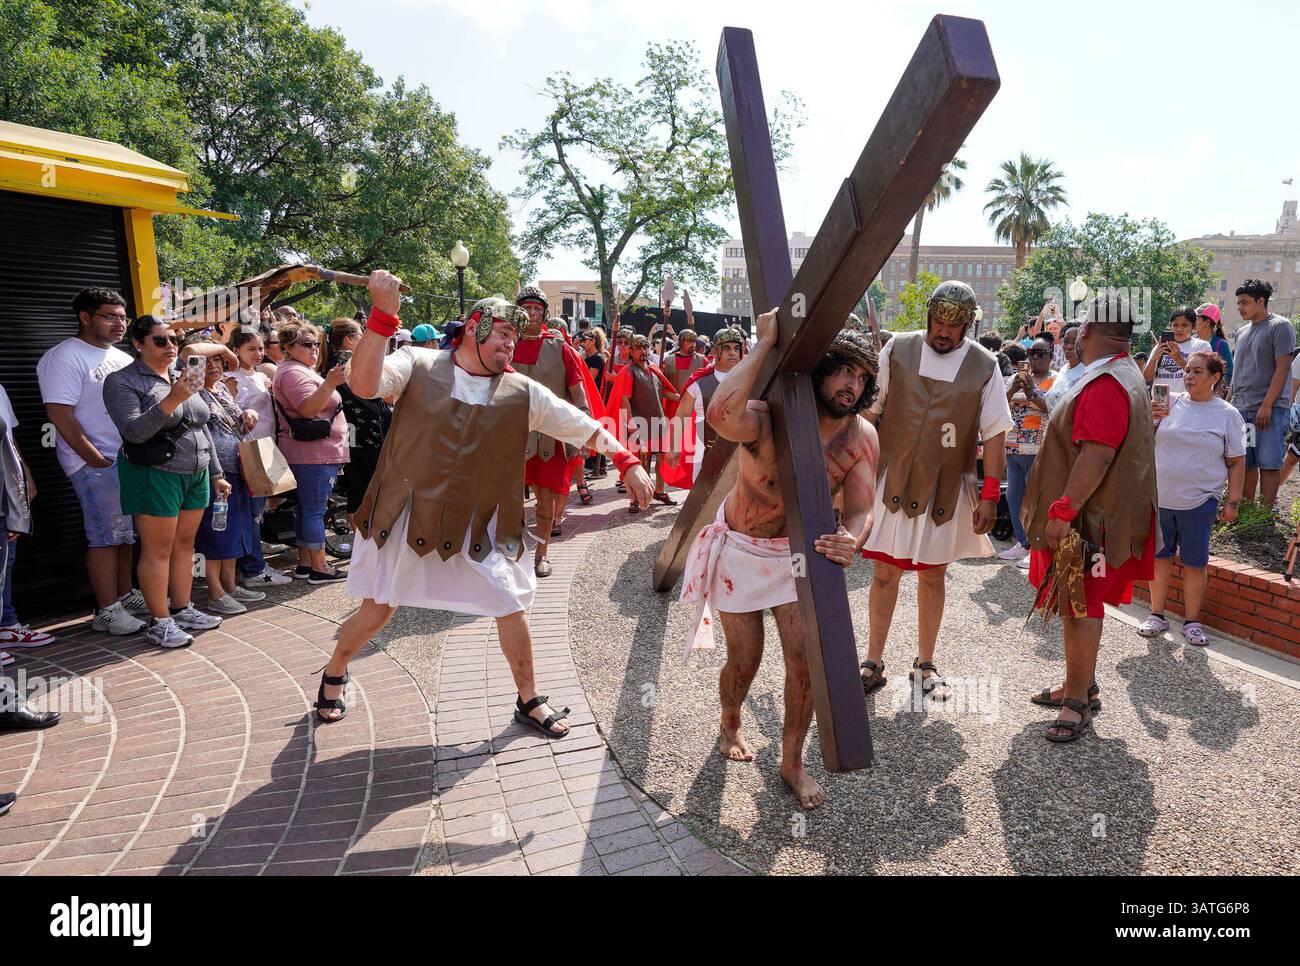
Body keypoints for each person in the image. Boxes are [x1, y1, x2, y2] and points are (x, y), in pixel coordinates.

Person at [316, 277, 653, 741]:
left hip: (480, 521)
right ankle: (335, 670)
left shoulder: (521, 390)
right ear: (473, 328)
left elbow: (579, 425)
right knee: (379, 609)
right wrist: (381, 316)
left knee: (511, 601)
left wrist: (626, 460)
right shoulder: (419, 362)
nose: (509, 346)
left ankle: (528, 698)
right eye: (502, 336)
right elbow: (364, 383)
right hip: (406, 513)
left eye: (515, 339)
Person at [680, 309, 879, 809]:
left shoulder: (862, 438)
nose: (851, 384)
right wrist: (766, 341)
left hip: (797, 556)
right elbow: (720, 416)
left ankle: (792, 760)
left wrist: (853, 538)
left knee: (806, 664)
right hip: (742, 550)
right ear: (820, 367)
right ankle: (730, 719)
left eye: (862, 377)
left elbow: (861, 509)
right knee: (744, 661)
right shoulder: (772, 413)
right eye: (843, 369)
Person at [859, 281, 1012, 700]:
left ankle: (925, 664)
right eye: (938, 322)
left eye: (954, 324)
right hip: (891, 479)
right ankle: (872, 660)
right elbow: (870, 414)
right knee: (885, 572)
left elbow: (995, 433)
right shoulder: (898, 349)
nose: (943, 331)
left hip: (946, 488)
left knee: (933, 575)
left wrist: (990, 493)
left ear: (968, 324)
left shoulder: (985, 366)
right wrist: (854, 475)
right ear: (928, 316)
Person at [1020, 293, 1157, 742]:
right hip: (1099, 517)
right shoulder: (1123, 371)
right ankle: (1080, 683)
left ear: (1093, 332)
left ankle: (1076, 699)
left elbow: (1096, 456)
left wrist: (1061, 511)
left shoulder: (1105, 382)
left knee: (1079, 606)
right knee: (1074, 603)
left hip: (1089, 522)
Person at [103, 317, 232, 648]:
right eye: (160, 340)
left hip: (197, 472)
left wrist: (216, 472)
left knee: (185, 545)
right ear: (138, 344)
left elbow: (201, 425)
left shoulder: (180, 374)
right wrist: (172, 399)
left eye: (174, 339)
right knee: (157, 549)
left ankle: (182, 607)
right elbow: (132, 431)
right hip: (154, 473)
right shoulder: (122, 381)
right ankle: (160, 622)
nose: (170, 345)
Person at [37, 287, 147, 635]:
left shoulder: (122, 356)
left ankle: (125, 595)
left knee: (125, 535)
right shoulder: (65, 356)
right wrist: (93, 457)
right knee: (104, 535)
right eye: (110, 316)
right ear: (85, 317)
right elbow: (59, 412)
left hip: (128, 459)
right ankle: (106, 610)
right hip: (96, 462)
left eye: (122, 316)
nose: (119, 323)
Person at [1141, 352, 1245, 646]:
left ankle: (1192, 622)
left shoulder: (1228, 415)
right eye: (1187, 370)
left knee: (1194, 563)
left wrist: (1232, 502)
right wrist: (1149, 417)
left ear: (1215, 378)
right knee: (1159, 558)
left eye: (1197, 371)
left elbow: (1237, 462)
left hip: (1200, 501)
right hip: (1161, 496)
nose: (1189, 376)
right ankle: (1156, 615)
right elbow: (1145, 438)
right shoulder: (1166, 398)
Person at [512, 288, 603, 576]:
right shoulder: (505, 343)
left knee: (547, 499)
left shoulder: (559, 347)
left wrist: (584, 432)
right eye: (526, 307)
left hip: (550, 435)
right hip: (511, 435)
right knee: (507, 499)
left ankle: (542, 554)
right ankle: (509, 553)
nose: (531, 312)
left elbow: (578, 394)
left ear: (544, 313)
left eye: (536, 308)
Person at [272, 320, 349, 583]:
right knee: (314, 511)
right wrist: (330, 384)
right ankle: (320, 567)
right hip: (312, 454)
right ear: (288, 347)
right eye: (306, 344)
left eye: (317, 343)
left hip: (314, 453)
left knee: (308, 510)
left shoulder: (299, 369)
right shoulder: (293, 372)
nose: (314, 348)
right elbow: (307, 409)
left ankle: (306, 563)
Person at [192, 341, 264, 614]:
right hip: (214, 472)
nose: (213, 366)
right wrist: (227, 351)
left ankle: (230, 585)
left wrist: (248, 416)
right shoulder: (192, 390)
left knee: (235, 529)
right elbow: (189, 355)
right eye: (207, 361)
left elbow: (235, 429)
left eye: (218, 362)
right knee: (216, 531)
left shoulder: (221, 389)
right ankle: (215, 592)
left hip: (237, 467)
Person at [223, 326, 290, 587]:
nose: (258, 353)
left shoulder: (263, 376)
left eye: (261, 348)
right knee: (249, 512)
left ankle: (253, 561)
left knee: (256, 511)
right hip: (247, 451)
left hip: (267, 447)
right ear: (236, 349)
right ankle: (253, 568)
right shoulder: (230, 378)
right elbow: (229, 416)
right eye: (251, 349)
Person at [1230, 279, 1295, 508]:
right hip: (1242, 408)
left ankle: (1265, 515)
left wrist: (1267, 404)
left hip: (1271, 409)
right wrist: (1229, 405)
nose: (1240, 307)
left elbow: (1283, 367)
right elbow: (1238, 371)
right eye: (1238, 303)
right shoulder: (1241, 332)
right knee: (1245, 462)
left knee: (1269, 462)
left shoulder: (1280, 326)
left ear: (1261, 301)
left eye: (1245, 302)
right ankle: (1246, 510)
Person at [0, 381, 53, 650]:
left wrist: (25, 475)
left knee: (6, 557)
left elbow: (8, 438)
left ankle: (7, 624)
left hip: (5, 485)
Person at [999, 338, 1059, 565]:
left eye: (1040, 353)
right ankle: (1022, 543)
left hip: (1037, 448)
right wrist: (1014, 388)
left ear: (1051, 355)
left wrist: (1032, 392)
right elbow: (1001, 405)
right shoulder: (1016, 378)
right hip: (1013, 446)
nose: (1034, 357)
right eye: (1031, 352)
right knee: (1014, 497)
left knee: (1033, 500)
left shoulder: (1055, 380)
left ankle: (1035, 546)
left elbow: (1052, 408)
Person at [331, 321, 392, 543]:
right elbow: (367, 391)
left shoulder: (351, 360)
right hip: (359, 436)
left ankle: (365, 541)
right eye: (361, 334)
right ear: (349, 339)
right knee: (361, 488)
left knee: (363, 487)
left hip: (364, 434)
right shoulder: (345, 361)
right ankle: (361, 543)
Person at [662, 326, 746, 487]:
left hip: (743, 456)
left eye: (736, 348)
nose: (733, 352)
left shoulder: (752, 380)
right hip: (705, 456)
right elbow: (681, 416)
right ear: (714, 351)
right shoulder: (698, 384)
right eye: (726, 348)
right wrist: (673, 447)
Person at [605, 334, 680, 510]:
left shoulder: (653, 369)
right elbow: (624, 399)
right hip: (640, 422)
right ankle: (638, 497)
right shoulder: (628, 371)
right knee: (642, 460)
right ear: (631, 351)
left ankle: (659, 491)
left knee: (662, 456)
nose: (643, 351)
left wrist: (684, 398)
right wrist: (632, 424)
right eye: (638, 348)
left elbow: (664, 391)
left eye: (645, 347)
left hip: (658, 420)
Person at [1142, 307, 1211, 398]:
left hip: (1187, 400)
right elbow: (1146, 377)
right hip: (1161, 400)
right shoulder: (1160, 346)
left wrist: (1178, 359)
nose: (1179, 329)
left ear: (1193, 326)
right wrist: (1154, 358)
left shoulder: (1201, 346)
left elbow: (1203, 376)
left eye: (1184, 325)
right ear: (1170, 326)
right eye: (1175, 325)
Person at [1194, 303, 1234, 396]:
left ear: (1207, 322)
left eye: (1197, 318)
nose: (1193, 321)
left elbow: (1228, 372)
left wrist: (1216, 392)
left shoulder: (1221, 344)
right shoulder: (1192, 340)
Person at [1045, 322, 1084, 410]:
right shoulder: (1063, 370)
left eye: (1075, 342)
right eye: (1066, 341)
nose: (1069, 346)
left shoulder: (1088, 371)